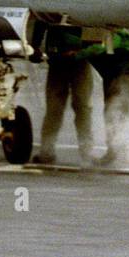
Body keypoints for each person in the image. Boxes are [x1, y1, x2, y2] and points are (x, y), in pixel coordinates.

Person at [83, 29, 129, 166]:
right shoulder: (111, 32)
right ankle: (118, 153)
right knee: (116, 110)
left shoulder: (112, 35)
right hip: (118, 71)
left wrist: (79, 53)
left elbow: (108, 45)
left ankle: (120, 154)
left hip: (125, 70)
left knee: (117, 111)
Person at [35, 24, 95, 164]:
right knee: (58, 108)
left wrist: (35, 46)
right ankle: (47, 151)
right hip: (60, 59)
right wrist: (35, 46)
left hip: (78, 59)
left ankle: (86, 151)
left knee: (81, 106)